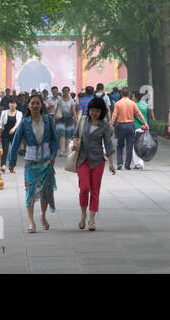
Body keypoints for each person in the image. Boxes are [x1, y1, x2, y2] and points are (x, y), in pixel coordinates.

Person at [7, 94, 60, 233]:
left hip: (46, 160)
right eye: (32, 103)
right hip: (30, 161)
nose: (35, 106)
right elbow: (16, 142)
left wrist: (54, 154)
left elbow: (55, 139)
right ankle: (31, 222)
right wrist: (11, 161)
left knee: (45, 190)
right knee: (30, 189)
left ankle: (42, 215)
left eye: (37, 103)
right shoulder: (25, 122)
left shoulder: (48, 120)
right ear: (28, 106)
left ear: (41, 105)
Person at [72, 95, 116, 230]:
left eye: (97, 111)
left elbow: (108, 144)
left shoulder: (104, 125)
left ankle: (91, 219)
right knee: (84, 188)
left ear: (101, 112)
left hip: (97, 161)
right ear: (89, 109)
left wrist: (111, 163)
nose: (94, 113)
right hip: (82, 160)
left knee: (95, 191)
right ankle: (83, 215)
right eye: (92, 110)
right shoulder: (83, 121)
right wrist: (75, 143)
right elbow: (75, 135)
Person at [111, 88, 141, 170]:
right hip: (131, 125)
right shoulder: (132, 103)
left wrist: (111, 124)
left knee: (120, 145)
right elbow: (139, 114)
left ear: (121, 93)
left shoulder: (117, 103)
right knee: (129, 146)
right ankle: (127, 165)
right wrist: (145, 123)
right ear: (129, 94)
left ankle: (119, 163)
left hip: (121, 125)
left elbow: (114, 115)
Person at [0, 95, 22, 165]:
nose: (12, 104)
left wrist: (14, 129)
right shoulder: (4, 112)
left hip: (15, 133)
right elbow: (0, 124)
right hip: (5, 133)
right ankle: (3, 164)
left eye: (14, 103)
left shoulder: (19, 113)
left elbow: (18, 123)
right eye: (11, 103)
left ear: (16, 105)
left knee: (14, 149)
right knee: (5, 149)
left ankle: (12, 164)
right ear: (8, 104)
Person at [55, 86, 78, 154]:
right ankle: (61, 150)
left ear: (69, 92)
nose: (65, 92)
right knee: (61, 133)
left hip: (69, 118)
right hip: (61, 118)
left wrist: (75, 119)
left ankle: (66, 149)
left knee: (68, 135)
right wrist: (54, 118)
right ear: (62, 91)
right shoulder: (60, 99)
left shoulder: (71, 100)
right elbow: (57, 109)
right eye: (64, 91)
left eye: (67, 91)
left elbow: (73, 110)